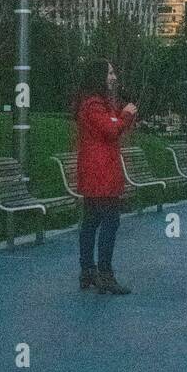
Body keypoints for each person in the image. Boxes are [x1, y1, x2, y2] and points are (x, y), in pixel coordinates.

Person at [74, 58, 137, 295]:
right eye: (110, 73)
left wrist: (121, 117)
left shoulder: (95, 105)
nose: (114, 77)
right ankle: (104, 273)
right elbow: (111, 130)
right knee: (110, 221)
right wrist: (126, 115)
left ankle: (88, 270)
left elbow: (113, 127)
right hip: (101, 173)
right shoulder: (94, 106)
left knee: (90, 222)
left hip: (96, 172)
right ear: (98, 77)